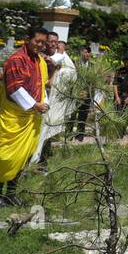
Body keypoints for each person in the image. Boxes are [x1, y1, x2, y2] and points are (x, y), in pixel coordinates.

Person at [0, 26, 49, 205]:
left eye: (43, 42)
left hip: (31, 117)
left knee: (23, 156)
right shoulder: (16, 59)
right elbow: (15, 88)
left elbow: (42, 86)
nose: (40, 45)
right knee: (5, 154)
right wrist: (35, 105)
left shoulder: (40, 61)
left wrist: (45, 102)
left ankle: (11, 192)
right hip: (14, 116)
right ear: (27, 39)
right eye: (37, 41)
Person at [34, 32, 76, 165]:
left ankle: (42, 163)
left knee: (48, 134)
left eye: (55, 42)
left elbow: (71, 72)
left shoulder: (61, 58)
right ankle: (33, 160)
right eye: (51, 41)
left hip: (55, 101)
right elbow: (50, 70)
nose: (53, 44)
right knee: (39, 133)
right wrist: (59, 56)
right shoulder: (42, 56)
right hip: (41, 99)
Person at [73, 46, 94, 141]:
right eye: (85, 52)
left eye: (88, 52)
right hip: (76, 93)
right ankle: (68, 134)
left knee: (83, 115)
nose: (87, 54)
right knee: (72, 114)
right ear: (81, 52)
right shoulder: (75, 64)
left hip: (87, 94)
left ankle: (80, 135)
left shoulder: (92, 66)